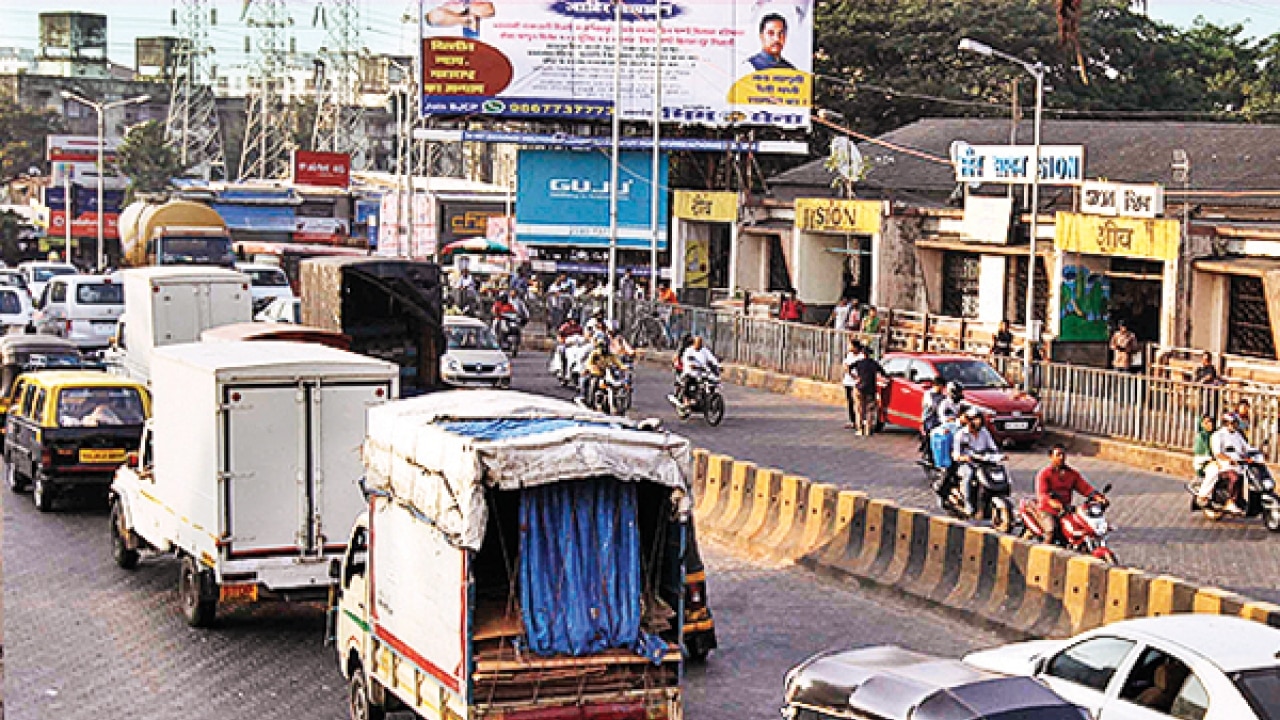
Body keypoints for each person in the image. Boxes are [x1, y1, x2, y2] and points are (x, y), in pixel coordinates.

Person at [1031, 445, 1103, 544]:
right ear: (1051, 457)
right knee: (1051, 530)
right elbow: (1043, 496)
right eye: (1058, 455)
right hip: (1047, 510)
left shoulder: (1072, 474)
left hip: (1066, 510)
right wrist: (1056, 504)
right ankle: (1043, 554)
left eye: (1063, 454)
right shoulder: (1044, 474)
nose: (1061, 457)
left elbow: (1085, 488)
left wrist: (1098, 497)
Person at [952, 407, 1000, 516]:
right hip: (965, 464)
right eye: (974, 419)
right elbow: (956, 455)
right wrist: (964, 458)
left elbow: (993, 447)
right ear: (968, 421)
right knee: (969, 474)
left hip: (982, 462)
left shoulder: (984, 432)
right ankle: (968, 504)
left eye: (978, 419)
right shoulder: (960, 435)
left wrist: (998, 456)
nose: (977, 422)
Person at [1202, 411, 1251, 513]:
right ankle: (1230, 502)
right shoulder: (1218, 435)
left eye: (1236, 423)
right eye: (1234, 423)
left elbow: (1246, 448)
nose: (1236, 425)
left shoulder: (1237, 434)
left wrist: (1257, 452)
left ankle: (1239, 500)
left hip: (1238, 464)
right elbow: (1218, 453)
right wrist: (1229, 460)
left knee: (1246, 477)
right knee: (1235, 477)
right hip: (1224, 465)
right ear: (1227, 423)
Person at [850, 342, 886, 436]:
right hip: (871, 389)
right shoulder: (874, 364)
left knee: (859, 409)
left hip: (859, 387)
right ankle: (868, 429)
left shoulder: (859, 363)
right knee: (870, 409)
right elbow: (883, 373)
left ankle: (860, 429)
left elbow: (848, 367)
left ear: (862, 353)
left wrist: (855, 377)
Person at [578, 336, 624, 408]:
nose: (603, 348)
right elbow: (589, 363)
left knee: (615, 381)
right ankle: (586, 398)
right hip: (593, 372)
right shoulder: (595, 354)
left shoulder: (610, 355)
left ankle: (613, 402)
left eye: (605, 346)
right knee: (588, 381)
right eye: (601, 346)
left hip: (604, 373)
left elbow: (618, 362)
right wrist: (593, 369)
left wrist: (623, 367)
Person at [676, 335, 720, 409]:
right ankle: (686, 399)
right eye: (697, 343)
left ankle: (705, 398)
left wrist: (718, 366)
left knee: (711, 381)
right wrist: (691, 365)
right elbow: (685, 359)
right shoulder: (689, 350)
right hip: (690, 372)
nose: (699, 345)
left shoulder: (705, 350)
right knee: (688, 381)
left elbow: (712, 358)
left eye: (700, 343)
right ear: (694, 343)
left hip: (702, 372)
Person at [919, 377, 946, 460]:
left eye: (943, 387)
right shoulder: (928, 394)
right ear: (935, 385)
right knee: (930, 434)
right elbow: (930, 406)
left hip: (939, 418)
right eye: (940, 386)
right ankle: (928, 454)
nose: (941, 388)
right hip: (930, 419)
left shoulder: (943, 395)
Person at [840, 338, 862, 430]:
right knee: (850, 402)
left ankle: (859, 421)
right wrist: (848, 372)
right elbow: (845, 365)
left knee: (858, 403)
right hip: (848, 381)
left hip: (856, 382)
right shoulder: (849, 355)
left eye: (850, 345)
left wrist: (854, 376)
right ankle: (852, 421)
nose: (849, 347)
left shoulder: (861, 356)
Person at [1193, 414, 1215, 481]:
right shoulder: (1201, 436)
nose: (1210, 424)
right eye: (1207, 422)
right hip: (1204, 461)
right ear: (1202, 424)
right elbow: (1206, 452)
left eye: (1211, 421)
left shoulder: (1215, 434)